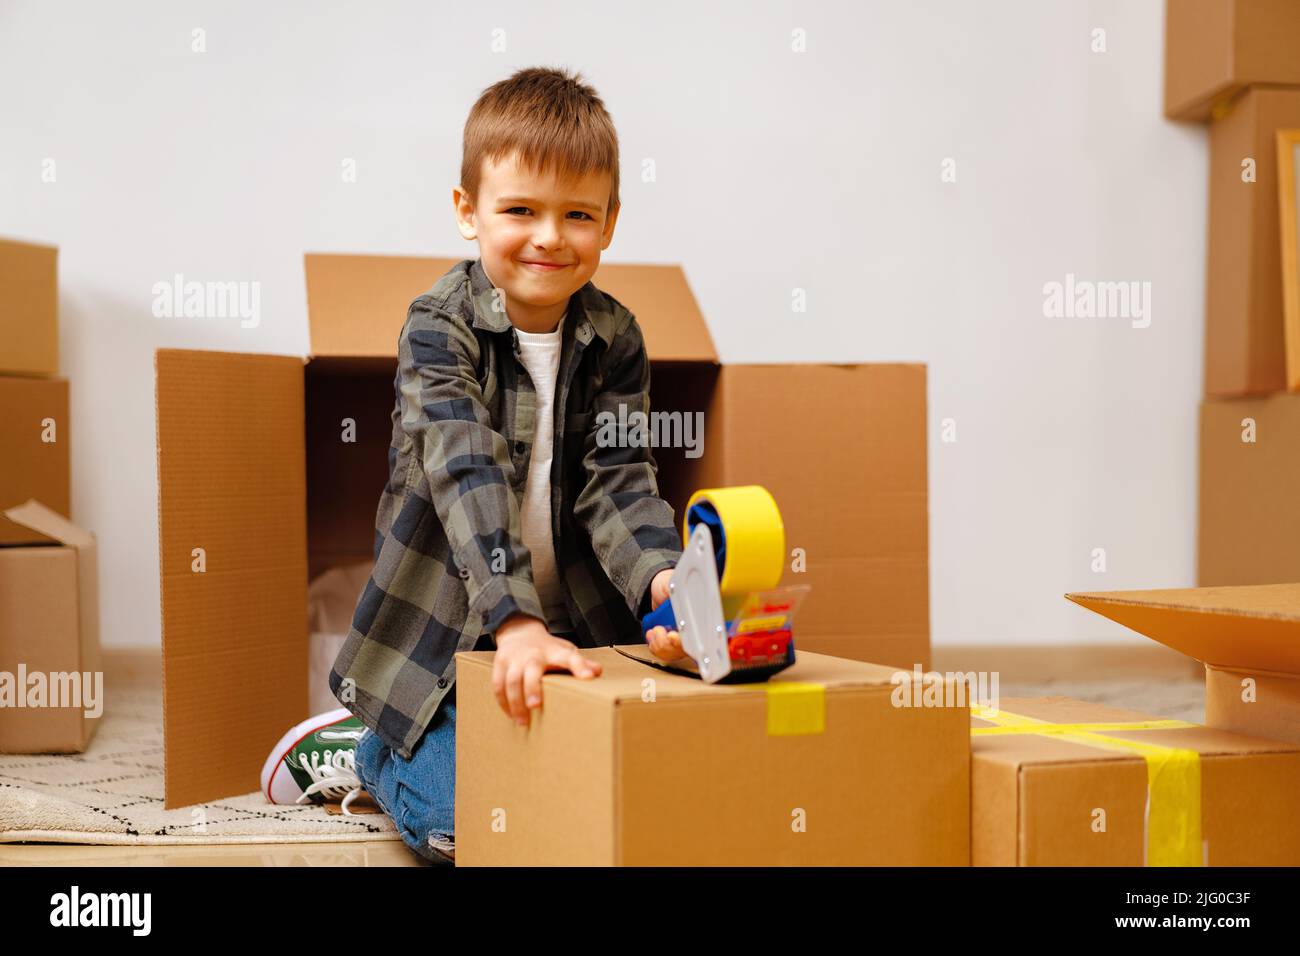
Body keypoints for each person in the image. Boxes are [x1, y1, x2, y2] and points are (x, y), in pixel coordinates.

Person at [270, 67, 691, 864]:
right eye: (520, 210)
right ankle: (368, 748)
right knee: (462, 827)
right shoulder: (438, 329)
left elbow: (622, 483)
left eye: (578, 214)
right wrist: (515, 621)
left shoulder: (617, 337)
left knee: (637, 800)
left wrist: (664, 584)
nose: (549, 236)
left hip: (576, 637)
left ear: (610, 223)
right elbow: (466, 473)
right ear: (468, 213)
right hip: (454, 641)